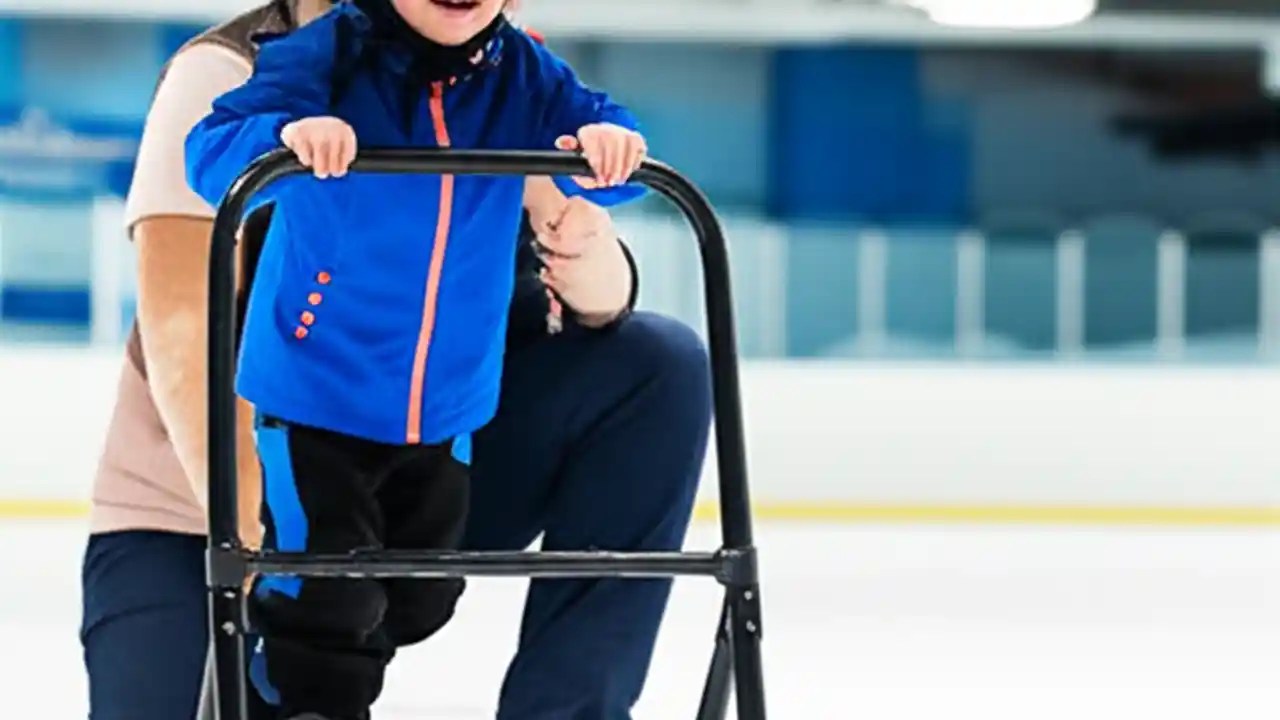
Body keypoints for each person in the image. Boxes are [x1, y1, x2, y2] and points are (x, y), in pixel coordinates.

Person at [79, 0, 711, 718]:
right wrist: (270, 551)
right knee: (267, 667)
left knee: (659, 365)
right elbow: (182, 327)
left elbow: (598, 287)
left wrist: (586, 252)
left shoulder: (488, 64)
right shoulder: (233, 73)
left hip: (418, 449)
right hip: (216, 493)